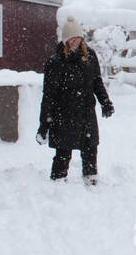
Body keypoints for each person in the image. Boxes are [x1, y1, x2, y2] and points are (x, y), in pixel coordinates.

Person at [36, 16, 114, 184]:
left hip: (86, 111)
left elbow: (96, 82)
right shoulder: (55, 62)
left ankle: (91, 178)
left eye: (78, 37)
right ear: (65, 39)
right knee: (63, 151)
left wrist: (105, 102)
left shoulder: (90, 56)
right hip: (64, 114)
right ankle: (58, 180)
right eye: (71, 37)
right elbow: (48, 95)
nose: (75, 41)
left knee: (90, 147)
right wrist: (44, 125)